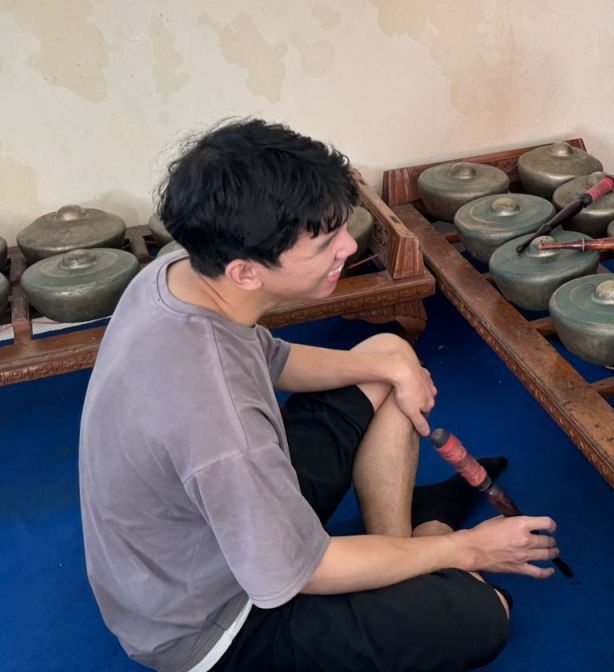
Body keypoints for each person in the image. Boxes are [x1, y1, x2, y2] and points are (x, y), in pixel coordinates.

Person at [80, 120, 558, 672]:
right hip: (215, 624)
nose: (349, 246)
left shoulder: (178, 271)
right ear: (245, 272)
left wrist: (388, 366)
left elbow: (272, 358)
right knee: (485, 613)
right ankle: (428, 542)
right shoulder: (220, 419)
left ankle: (401, 549)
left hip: (216, 524)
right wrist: (466, 550)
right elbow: (303, 573)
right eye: (327, 242)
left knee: (388, 356)